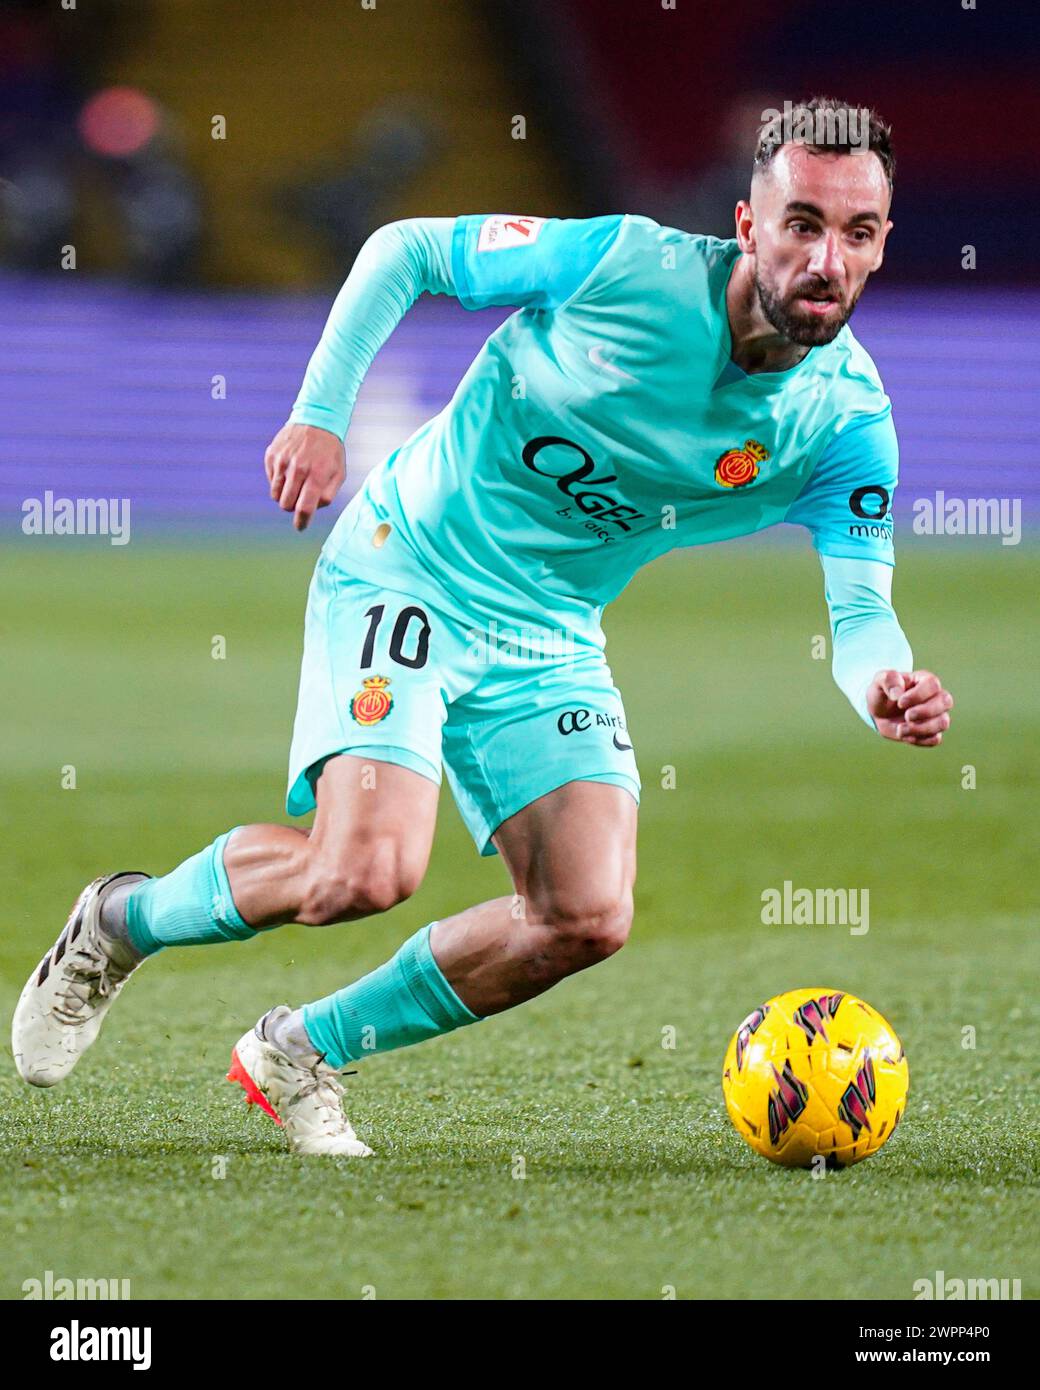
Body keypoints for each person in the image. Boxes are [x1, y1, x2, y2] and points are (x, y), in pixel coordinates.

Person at [13, 98, 953, 1157]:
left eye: (856, 233)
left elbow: (860, 611)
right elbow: (405, 250)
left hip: (548, 628)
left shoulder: (844, 423)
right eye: (801, 224)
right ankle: (115, 925)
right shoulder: (622, 267)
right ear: (747, 225)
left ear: (879, 245)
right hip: (409, 563)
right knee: (361, 872)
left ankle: (298, 1050)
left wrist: (882, 682)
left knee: (584, 914)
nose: (825, 258)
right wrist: (321, 412)